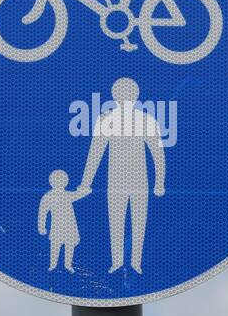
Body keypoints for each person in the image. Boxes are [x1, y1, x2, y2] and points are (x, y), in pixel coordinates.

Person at [76, 77, 166, 273]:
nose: (125, 97)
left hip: (140, 180)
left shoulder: (147, 120)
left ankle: (136, 262)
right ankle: (116, 262)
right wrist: (85, 182)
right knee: (116, 221)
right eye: (121, 93)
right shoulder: (106, 119)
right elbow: (95, 153)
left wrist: (159, 182)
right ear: (115, 96)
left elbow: (157, 153)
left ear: (135, 96)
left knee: (138, 221)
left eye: (129, 94)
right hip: (115, 180)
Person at [38, 169, 88, 271]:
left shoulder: (67, 194)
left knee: (69, 245)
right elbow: (42, 213)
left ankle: (68, 265)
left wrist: (85, 190)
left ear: (66, 182)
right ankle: (53, 265)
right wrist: (41, 227)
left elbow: (78, 195)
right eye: (57, 180)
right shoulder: (48, 197)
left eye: (63, 180)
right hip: (56, 226)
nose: (60, 182)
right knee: (55, 245)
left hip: (70, 226)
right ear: (51, 182)